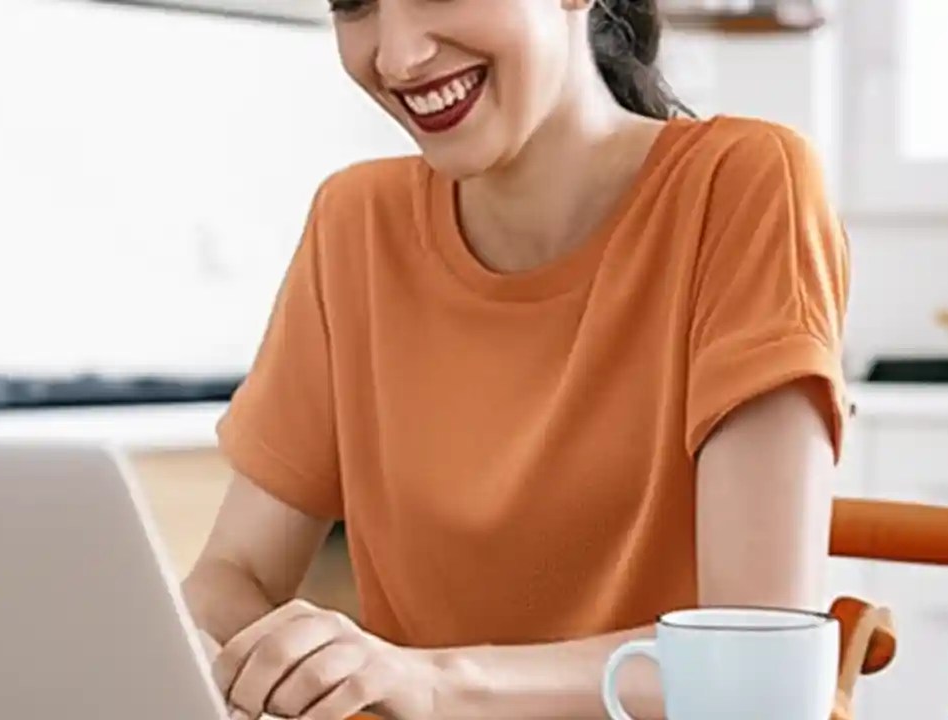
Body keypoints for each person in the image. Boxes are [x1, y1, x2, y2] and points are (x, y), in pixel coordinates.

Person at [181, 0, 850, 718]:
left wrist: (429, 683)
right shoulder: (355, 223)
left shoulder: (744, 185)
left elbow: (755, 668)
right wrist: (308, 670)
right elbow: (227, 578)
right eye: (355, 5)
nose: (397, 57)